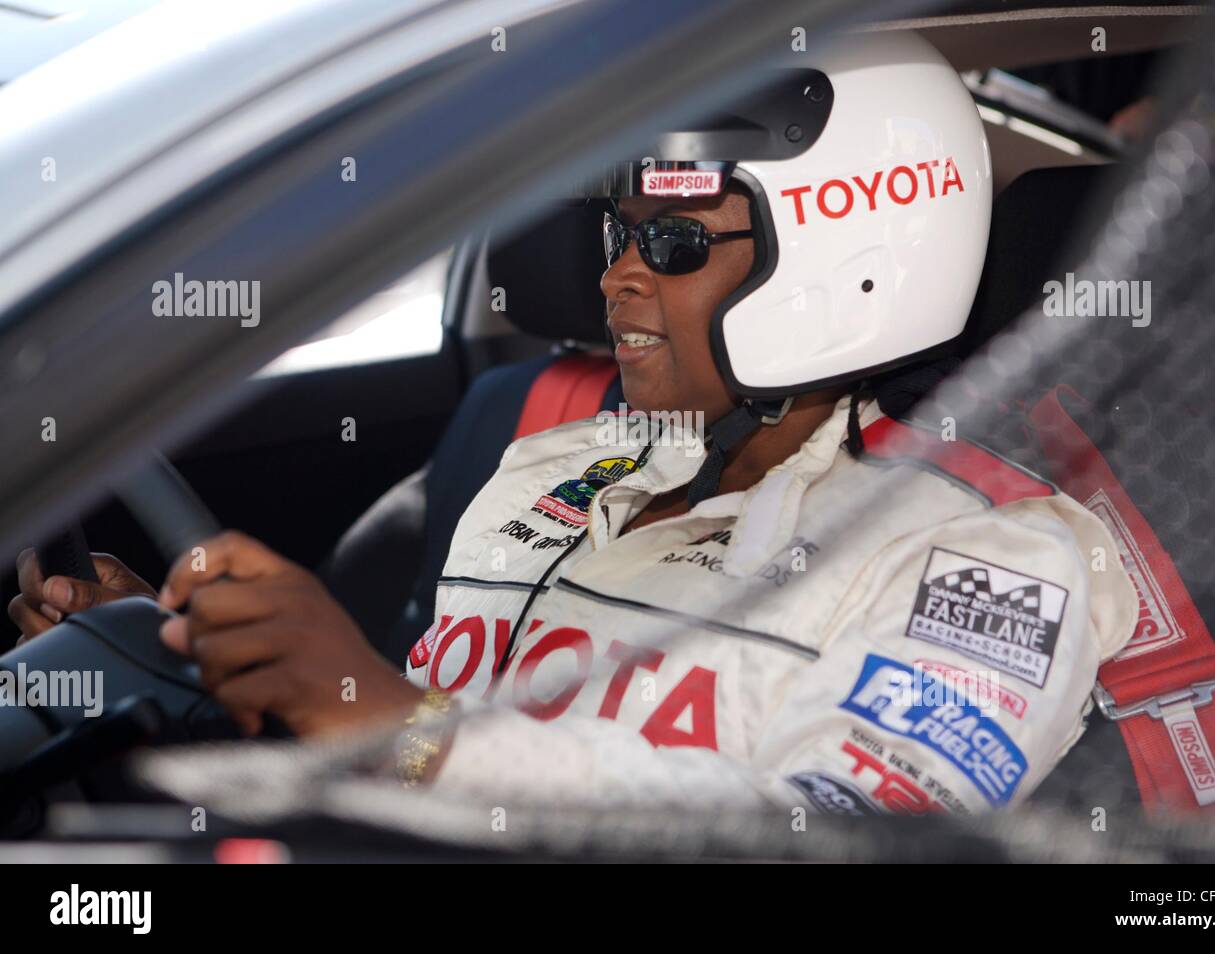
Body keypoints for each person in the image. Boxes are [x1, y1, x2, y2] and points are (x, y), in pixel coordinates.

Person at [9, 31, 1136, 815]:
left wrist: (388, 718)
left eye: (676, 243)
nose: (618, 282)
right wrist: (198, 673)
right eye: (620, 234)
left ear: (854, 250)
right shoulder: (553, 471)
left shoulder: (995, 561)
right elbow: (403, 761)